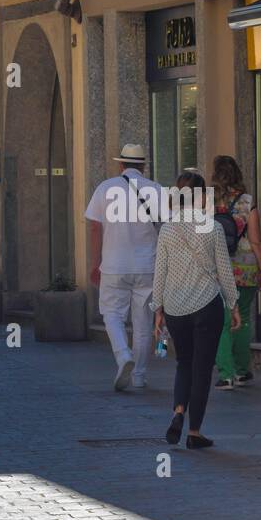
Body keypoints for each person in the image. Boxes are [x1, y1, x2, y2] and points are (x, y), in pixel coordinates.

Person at [153, 171, 240, 449]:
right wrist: (234, 303)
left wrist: (158, 308)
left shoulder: (167, 229)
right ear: (201, 196)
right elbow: (224, 271)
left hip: (176, 309)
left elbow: (160, 273)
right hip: (206, 305)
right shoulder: (211, 227)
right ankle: (194, 432)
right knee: (202, 369)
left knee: (183, 363)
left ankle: (178, 411)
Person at [86, 142, 163, 392]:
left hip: (114, 265)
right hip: (147, 266)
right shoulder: (156, 189)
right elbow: (166, 227)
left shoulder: (105, 188)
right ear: (143, 165)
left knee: (112, 314)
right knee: (143, 323)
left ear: (120, 164)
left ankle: (122, 355)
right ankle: (139, 376)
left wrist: (95, 262)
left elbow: (95, 227)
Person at [212, 155, 261, 391]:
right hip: (246, 268)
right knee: (242, 319)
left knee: (222, 322)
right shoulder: (247, 201)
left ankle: (226, 374)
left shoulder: (210, 201)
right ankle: (243, 371)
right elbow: (255, 240)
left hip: (220, 268)